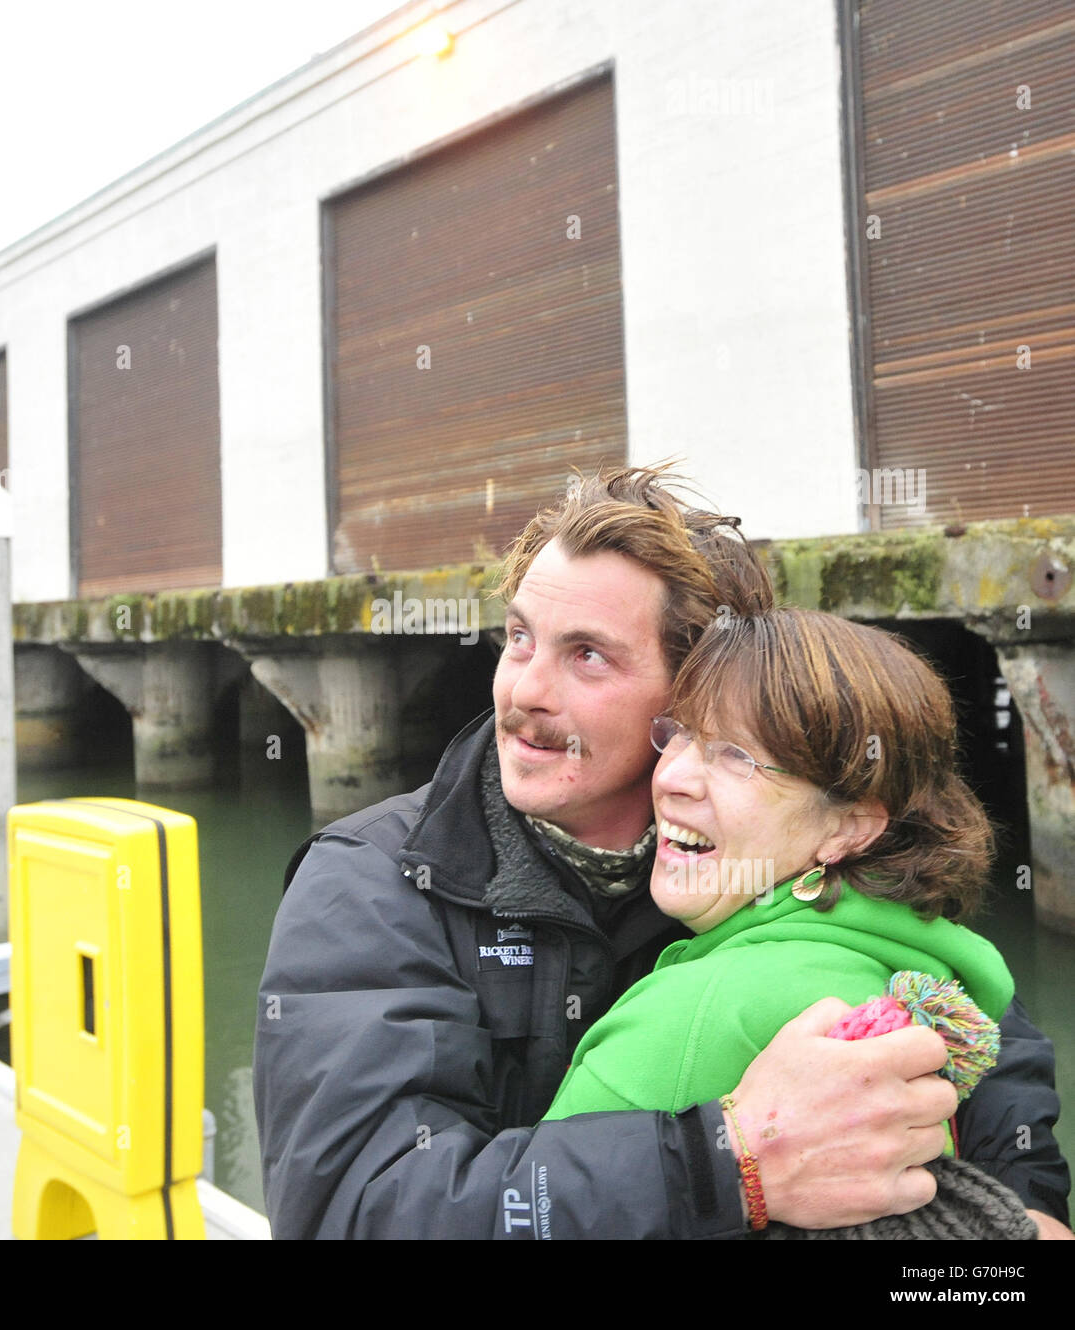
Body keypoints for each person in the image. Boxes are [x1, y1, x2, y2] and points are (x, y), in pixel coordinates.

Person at [253, 465, 1070, 1239]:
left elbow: (991, 1047)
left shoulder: (753, 863)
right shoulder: (369, 884)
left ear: (694, 690)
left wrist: (1004, 1222)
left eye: (588, 655)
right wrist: (727, 1160)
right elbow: (351, 1210)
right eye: (518, 639)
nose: (523, 690)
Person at [544, 607, 1071, 1238]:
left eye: (736, 756)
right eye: (679, 733)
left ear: (849, 827)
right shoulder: (927, 969)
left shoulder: (695, 1014)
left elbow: (536, 1214)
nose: (673, 777)